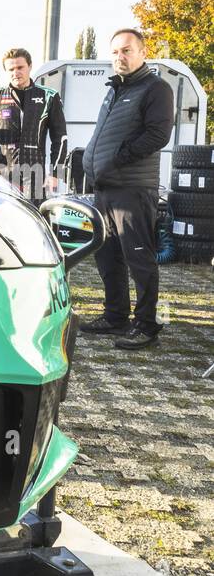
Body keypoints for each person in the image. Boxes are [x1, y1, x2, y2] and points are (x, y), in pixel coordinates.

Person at [81, 28, 175, 350]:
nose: (120, 57)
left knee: (139, 259)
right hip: (106, 188)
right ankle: (115, 316)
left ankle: (146, 325)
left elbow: (157, 135)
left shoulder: (156, 88)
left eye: (127, 50)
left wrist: (119, 158)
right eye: (115, 52)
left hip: (132, 189)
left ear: (142, 53)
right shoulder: (114, 90)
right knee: (108, 258)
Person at [0, 47, 68, 202]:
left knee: (34, 219)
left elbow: (60, 138)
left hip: (35, 172)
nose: (16, 72)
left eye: (20, 67)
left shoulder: (48, 95)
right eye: (11, 69)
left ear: (30, 66)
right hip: (3, 172)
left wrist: (56, 174)